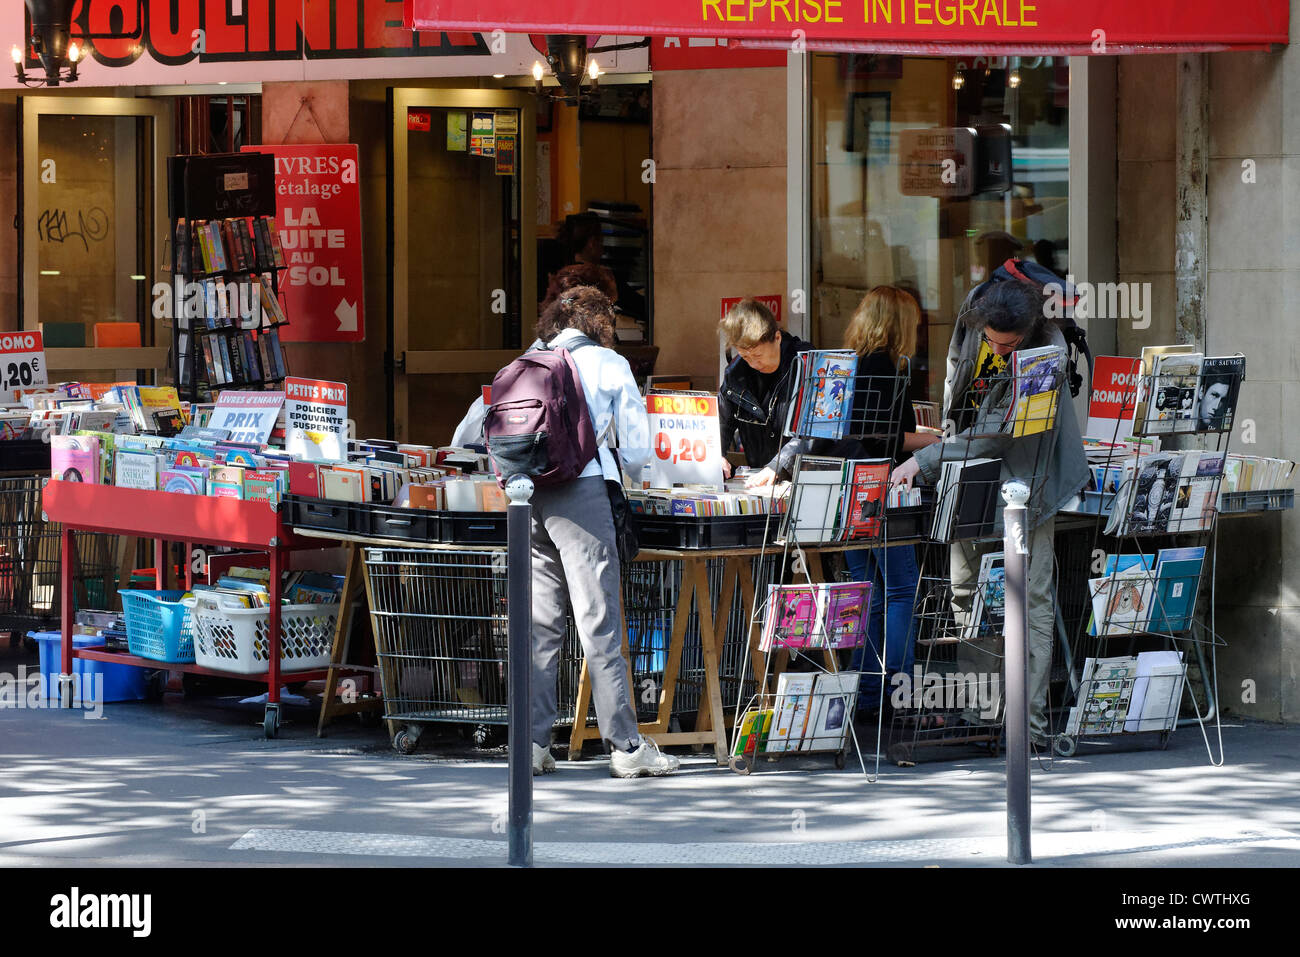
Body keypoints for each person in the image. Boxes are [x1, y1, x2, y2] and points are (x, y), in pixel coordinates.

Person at [889, 279, 1090, 748]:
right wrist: (945, 439)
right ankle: (980, 710)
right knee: (965, 591)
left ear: (1027, 330)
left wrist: (926, 457)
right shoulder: (971, 322)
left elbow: (1003, 434)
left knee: (1029, 599)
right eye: (992, 341)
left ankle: (1030, 725)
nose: (999, 350)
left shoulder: (1048, 354)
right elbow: (955, 378)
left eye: (1008, 344)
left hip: (1028, 482)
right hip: (968, 470)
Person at [525, 286, 680, 779]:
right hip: (585, 495)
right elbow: (635, 452)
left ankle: (531, 743)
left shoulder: (530, 359)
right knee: (600, 624)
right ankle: (626, 744)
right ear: (601, 323)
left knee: (540, 625)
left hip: (527, 499)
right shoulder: (611, 365)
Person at [837, 286, 941, 716]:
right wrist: (937, 440)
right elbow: (887, 436)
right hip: (882, 490)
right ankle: (903, 694)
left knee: (869, 595)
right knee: (900, 590)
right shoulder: (888, 367)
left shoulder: (850, 365)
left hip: (847, 489)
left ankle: (867, 694)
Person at [716, 298, 810, 484]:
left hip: (806, 478)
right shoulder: (735, 375)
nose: (753, 363)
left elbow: (815, 431)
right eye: (745, 356)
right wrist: (715, 456)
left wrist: (779, 465)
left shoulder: (807, 366)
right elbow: (721, 425)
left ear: (777, 337)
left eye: (758, 355)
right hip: (760, 481)